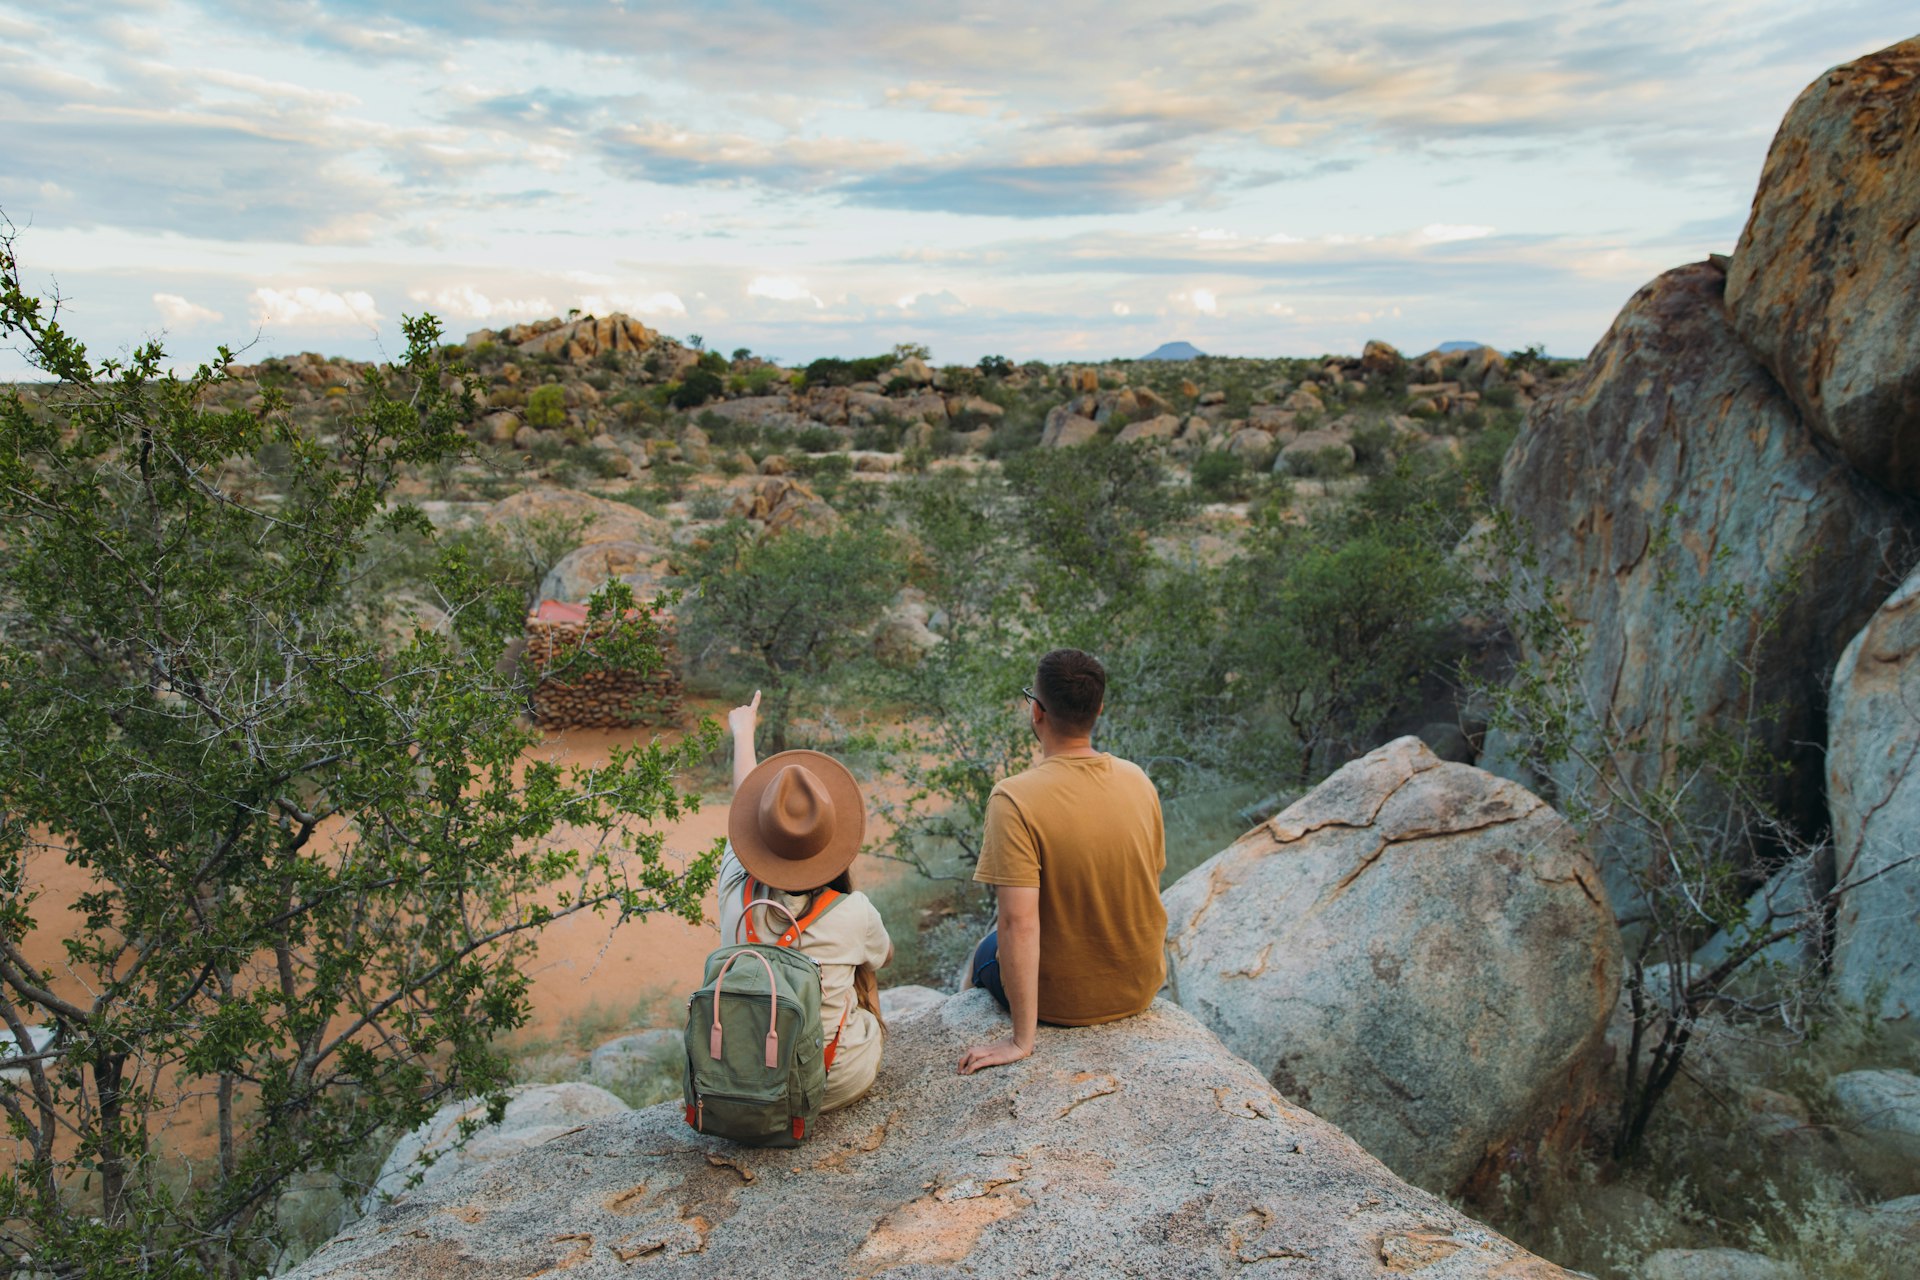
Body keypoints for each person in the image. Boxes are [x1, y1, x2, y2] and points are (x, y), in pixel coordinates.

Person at [958, 648, 1167, 1075]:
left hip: (1063, 1002)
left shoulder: (1014, 798)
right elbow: (1149, 877)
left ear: (1036, 711)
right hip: (1139, 988)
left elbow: (1019, 923)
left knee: (986, 949)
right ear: (1099, 709)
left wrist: (1021, 1039)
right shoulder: (1138, 780)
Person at [720, 691, 893, 1111]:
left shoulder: (734, 890)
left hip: (748, 1087)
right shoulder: (854, 912)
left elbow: (742, 808)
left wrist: (743, 734)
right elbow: (885, 957)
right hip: (831, 1084)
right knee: (863, 971)